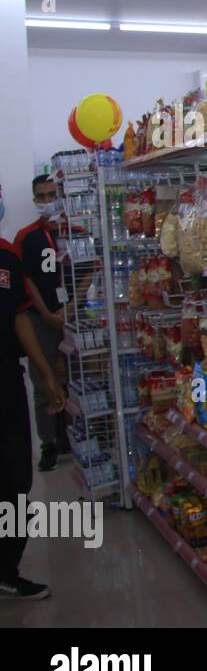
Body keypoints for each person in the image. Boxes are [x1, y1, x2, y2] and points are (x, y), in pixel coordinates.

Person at [0, 183, 65, 601]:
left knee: (15, 478)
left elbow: (19, 319)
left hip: (6, 381)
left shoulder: (6, 254)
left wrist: (46, 375)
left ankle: (7, 568)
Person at [14, 175, 70, 472]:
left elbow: (93, 268)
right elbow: (24, 279)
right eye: (41, 196)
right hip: (39, 318)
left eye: (52, 195)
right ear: (35, 199)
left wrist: (70, 308)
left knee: (76, 378)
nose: (48, 201)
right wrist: (46, 312)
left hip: (74, 317)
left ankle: (76, 438)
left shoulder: (77, 230)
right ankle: (48, 443)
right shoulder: (26, 236)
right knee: (43, 382)